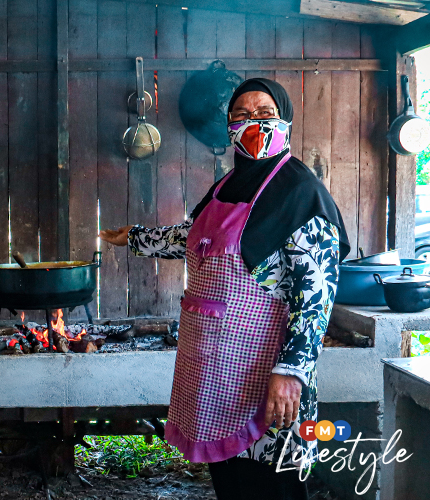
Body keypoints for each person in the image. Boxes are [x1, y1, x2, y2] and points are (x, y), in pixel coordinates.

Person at [100, 78, 350, 500]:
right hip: (217, 374)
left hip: (269, 376)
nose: (253, 123)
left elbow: (317, 296)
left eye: (265, 114)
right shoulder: (226, 186)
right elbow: (196, 236)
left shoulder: (302, 194)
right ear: (229, 126)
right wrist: (138, 237)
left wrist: (291, 373)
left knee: (273, 486)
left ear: (285, 120)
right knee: (231, 488)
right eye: (241, 116)